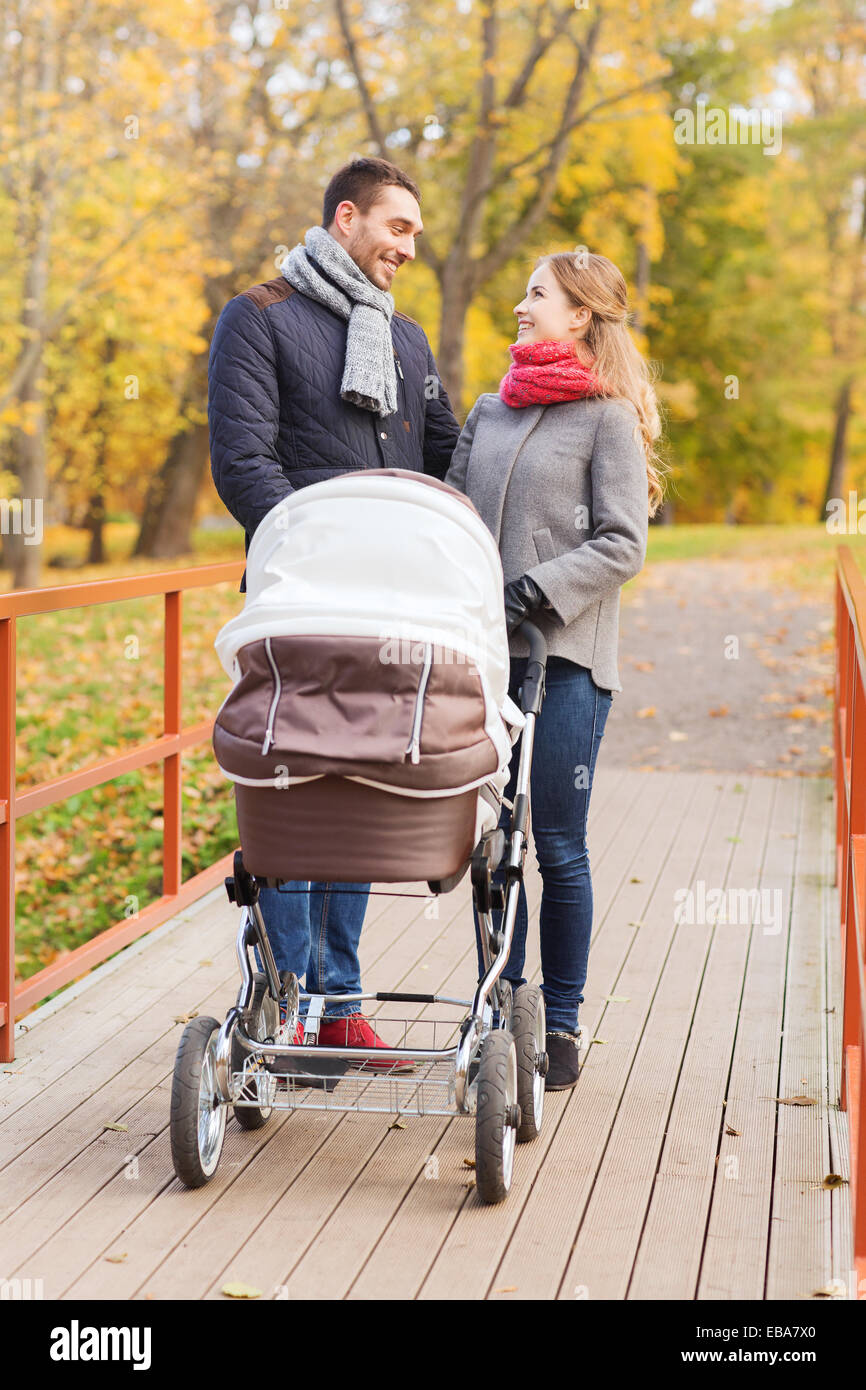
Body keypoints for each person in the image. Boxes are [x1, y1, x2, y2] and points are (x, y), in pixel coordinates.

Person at [208, 158, 460, 1061]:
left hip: (393, 611)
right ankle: (288, 999)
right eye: (397, 229)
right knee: (293, 787)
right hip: (299, 602)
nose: (407, 249)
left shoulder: (407, 340)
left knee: (359, 785)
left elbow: (442, 460)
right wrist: (321, 554)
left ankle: (339, 1001)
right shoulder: (260, 316)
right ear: (346, 218)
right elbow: (244, 462)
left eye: (417, 236)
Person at [444, 251, 666, 1089]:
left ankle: (563, 1021)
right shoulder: (488, 410)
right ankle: (504, 1009)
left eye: (534, 292)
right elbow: (457, 520)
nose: (519, 303)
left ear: (579, 315)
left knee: (557, 846)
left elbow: (622, 542)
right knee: (491, 846)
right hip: (484, 659)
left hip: (564, 658)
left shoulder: (606, 418)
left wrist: (535, 588)